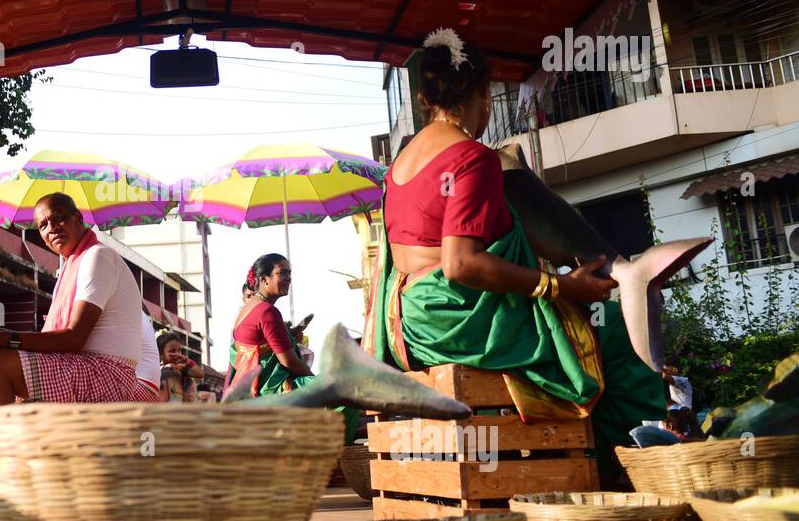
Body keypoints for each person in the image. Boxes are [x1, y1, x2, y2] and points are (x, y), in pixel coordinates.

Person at [363, 28, 665, 477]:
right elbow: (461, 263)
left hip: (409, 323)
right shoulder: (471, 158)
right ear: (483, 92)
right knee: (614, 343)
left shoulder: (399, 165)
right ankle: (602, 473)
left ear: (426, 97)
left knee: (577, 333)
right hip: (456, 319)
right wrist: (561, 285)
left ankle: (542, 461)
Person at [0, 193, 160, 405]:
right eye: (43, 225)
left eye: (59, 218)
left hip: (109, 375)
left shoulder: (98, 256)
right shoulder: (69, 268)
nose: (52, 228)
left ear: (78, 218)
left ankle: (1, 438)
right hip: (77, 366)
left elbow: (74, 338)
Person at [229, 253, 357, 442]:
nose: (288, 278)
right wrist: (313, 379)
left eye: (290, 273)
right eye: (282, 273)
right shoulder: (266, 311)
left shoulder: (251, 308)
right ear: (264, 279)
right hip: (273, 389)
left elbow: (264, 348)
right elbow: (288, 361)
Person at [158, 332, 203, 403]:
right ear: (161, 354)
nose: (177, 354)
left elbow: (200, 374)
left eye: (179, 350)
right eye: (172, 351)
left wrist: (188, 361)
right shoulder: (159, 371)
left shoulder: (181, 367)